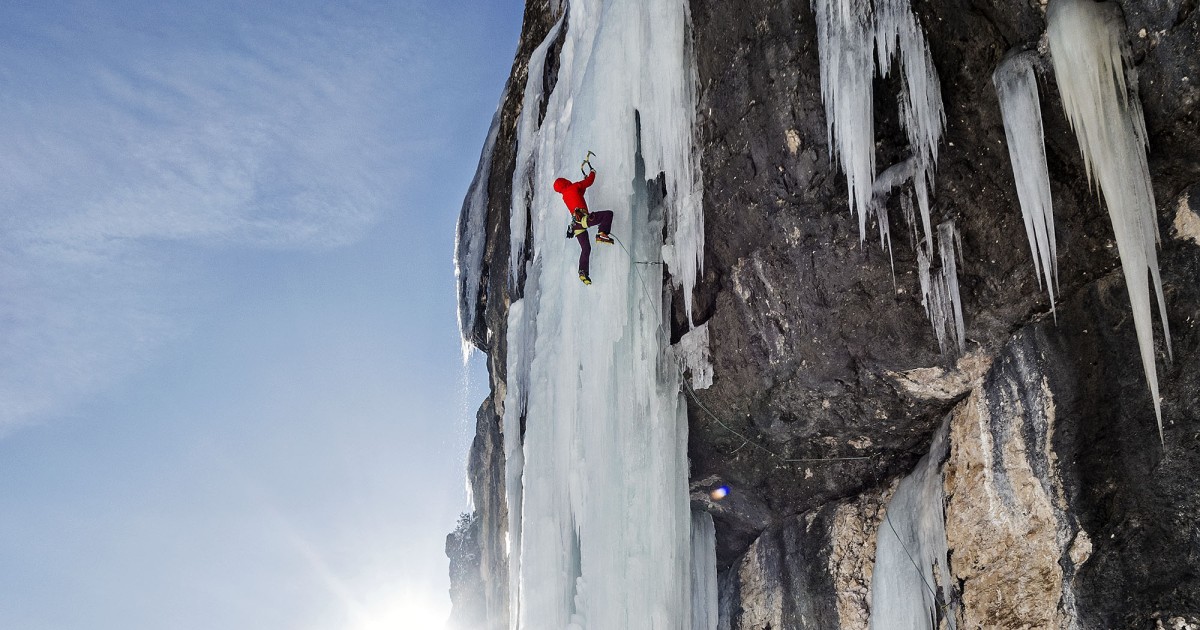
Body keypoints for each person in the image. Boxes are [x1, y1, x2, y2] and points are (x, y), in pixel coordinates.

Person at [553, 168, 613, 285]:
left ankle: (583, 271)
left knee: (586, 249)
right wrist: (592, 173)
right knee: (608, 214)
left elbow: (580, 193)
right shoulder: (573, 187)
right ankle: (602, 233)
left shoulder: (565, 195)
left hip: (576, 225)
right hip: (583, 219)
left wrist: (583, 184)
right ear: (565, 181)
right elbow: (589, 182)